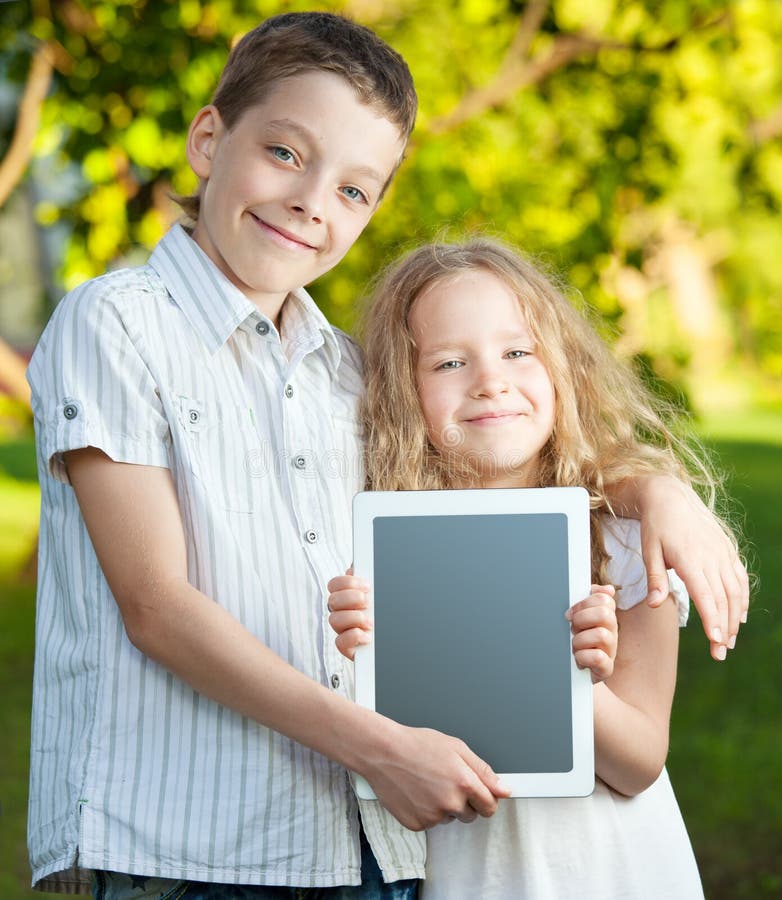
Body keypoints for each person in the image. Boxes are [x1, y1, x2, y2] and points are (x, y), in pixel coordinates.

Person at [26, 9, 744, 898]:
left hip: (367, 848)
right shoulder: (119, 322)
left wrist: (657, 491)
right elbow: (157, 606)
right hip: (190, 845)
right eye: (285, 153)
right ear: (208, 137)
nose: (311, 202)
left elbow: (508, 464)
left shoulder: (346, 382)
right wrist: (384, 745)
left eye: (355, 190)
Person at [328, 237, 735, 897]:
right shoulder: (379, 537)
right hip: (466, 867)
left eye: (518, 352)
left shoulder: (625, 540)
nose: (490, 380)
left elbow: (638, 764)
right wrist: (354, 647)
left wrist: (574, 679)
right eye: (449, 362)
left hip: (603, 869)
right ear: (404, 392)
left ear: (561, 369)